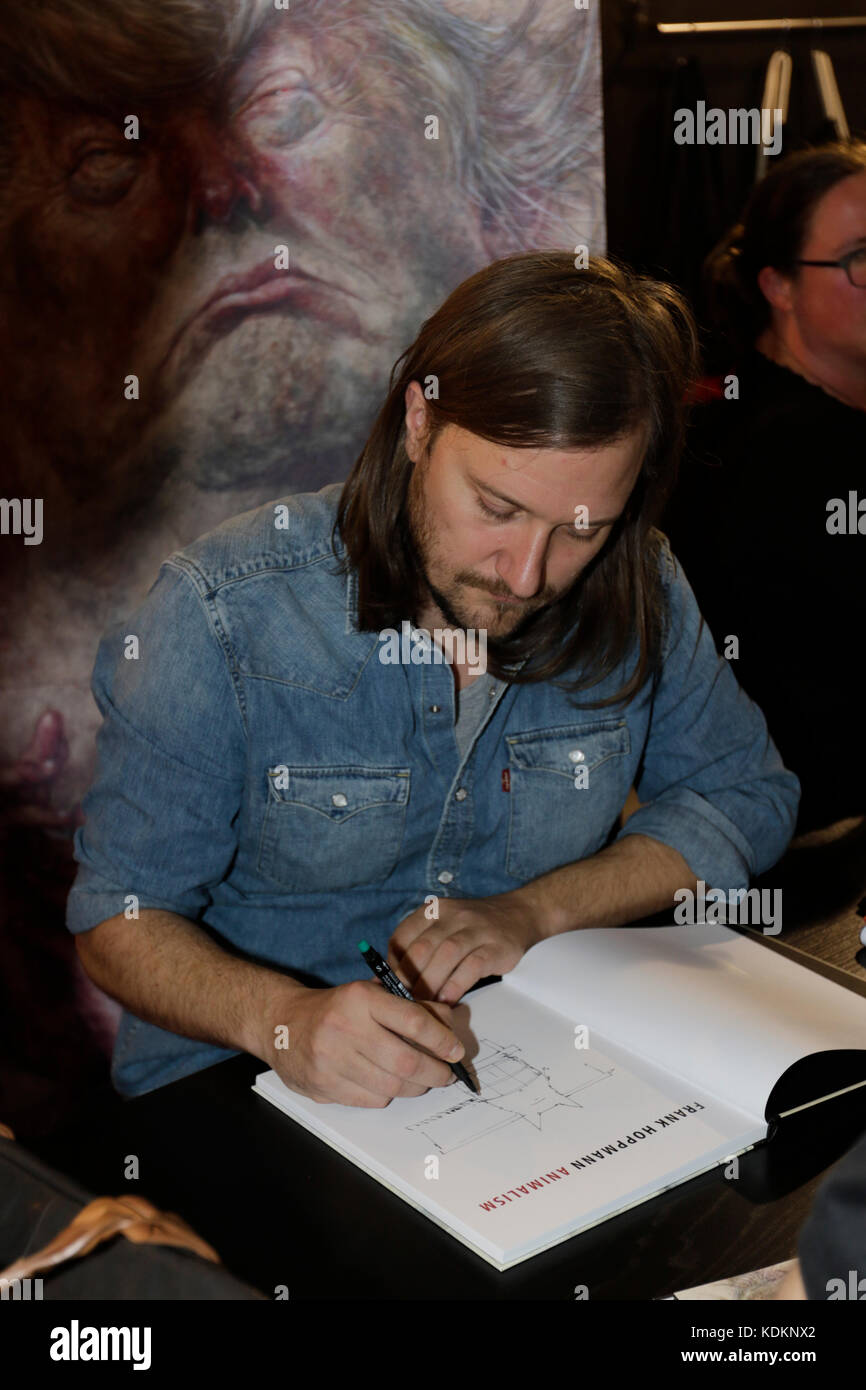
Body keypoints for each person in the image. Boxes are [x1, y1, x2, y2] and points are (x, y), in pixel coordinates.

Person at [67, 251, 799, 1106]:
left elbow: (744, 797)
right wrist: (283, 1020)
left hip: (524, 1066)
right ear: (420, 421)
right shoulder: (221, 612)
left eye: (582, 528)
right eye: (498, 508)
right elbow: (117, 919)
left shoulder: (642, 581)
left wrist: (536, 912)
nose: (527, 576)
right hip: (244, 1089)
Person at [665, 140, 866, 833]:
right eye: (859, 258)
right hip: (814, 834)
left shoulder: (749, 405)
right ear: (778, 285)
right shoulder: (793, 445)